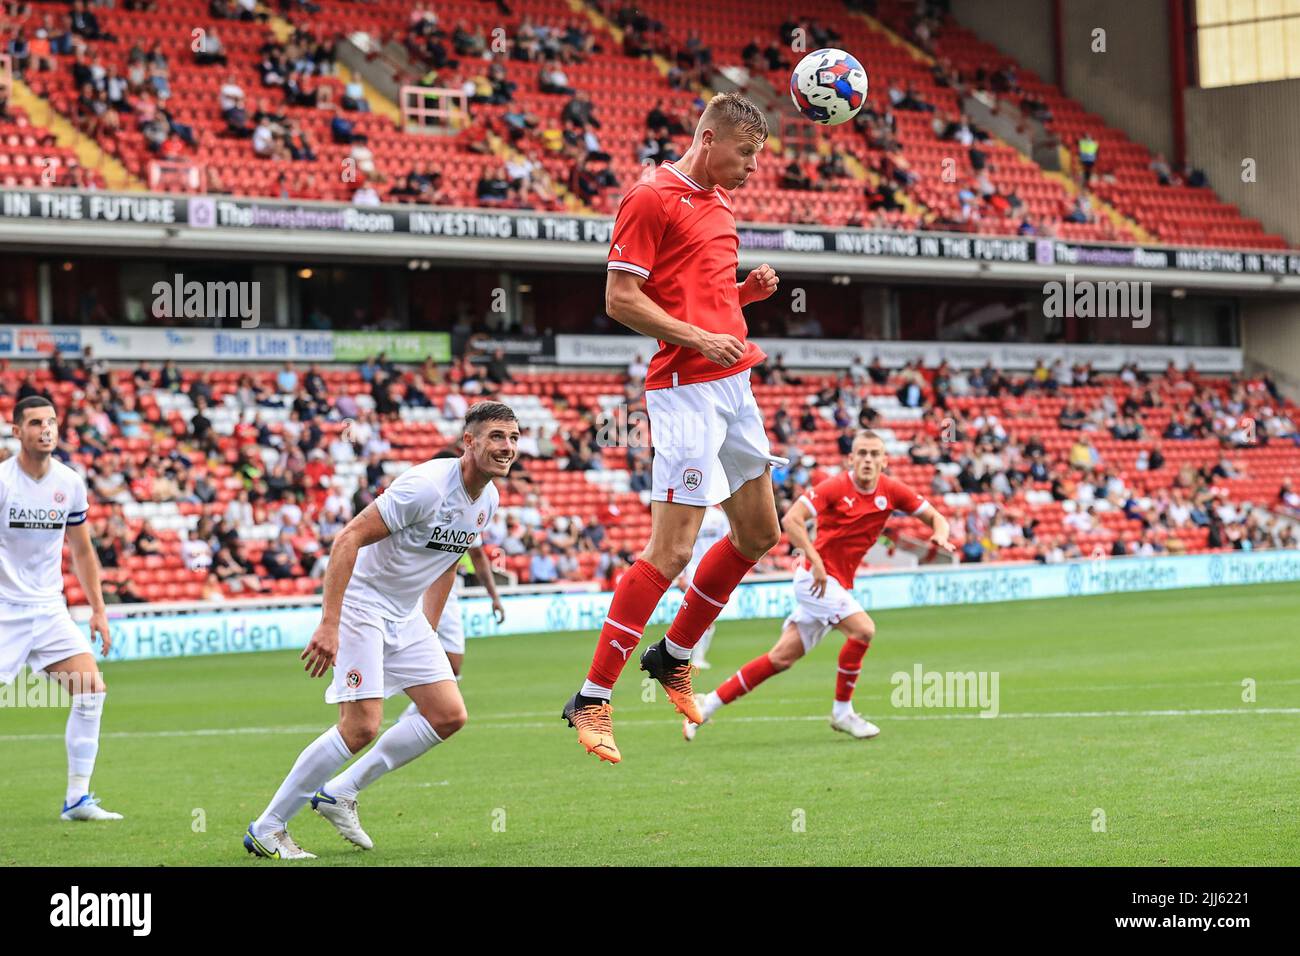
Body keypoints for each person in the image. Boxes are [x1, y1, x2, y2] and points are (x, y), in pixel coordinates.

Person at [561, 92, 784, 764]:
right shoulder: (651, 196)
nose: (752, 167)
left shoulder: (719, 205)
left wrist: (742, 297)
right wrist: (698, 336)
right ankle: (592, 697)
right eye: (745, 153)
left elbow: (697, 296)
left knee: (760, 532)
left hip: (733, 383)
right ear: (709, 138)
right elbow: (620, 298)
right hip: (686, 392)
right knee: (671, 552)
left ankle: (672, 655)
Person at [244, 402, 519, 859]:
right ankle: (268, 826)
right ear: (468, 442)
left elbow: (447, 561)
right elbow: (348, 537)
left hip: (405, 614)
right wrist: (330, 622)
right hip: (362, 605)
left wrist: (426, 630)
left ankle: (341, 791)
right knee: (361, 726)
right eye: (495, 437)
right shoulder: (426, 485)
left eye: (512, 438)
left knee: (449, 714)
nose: (507, 447)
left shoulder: (487, 499)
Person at [685, 431, 953, 740]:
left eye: (874, 454)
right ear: (850, 459)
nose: (867, 460)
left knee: (780, 658)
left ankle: (706, 706)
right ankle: (842, 712)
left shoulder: (892, 490)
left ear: (884, 460)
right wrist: (816, 559)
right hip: (815, 580)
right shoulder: (835, 487)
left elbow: (935, 517)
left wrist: (941, 534)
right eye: (862, 453)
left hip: (835, 583)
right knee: (864, 630)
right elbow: (792, 519)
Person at [0, 397, 121, 821]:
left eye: (51, 422)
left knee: (91, 692)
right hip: (3, 611)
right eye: (35, 423)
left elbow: (84, 552)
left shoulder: (69, 482)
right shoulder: (3, 482)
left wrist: (99, 610)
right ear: (17, 431)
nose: (46, 429)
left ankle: (77, 800)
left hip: (49, 609)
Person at [674, 504, 730, 669]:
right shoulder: (689, 516)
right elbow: (680, 546)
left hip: (714, 569)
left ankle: (696, 656)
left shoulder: (718, 517)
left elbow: (728, 541)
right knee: (696, 613)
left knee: (707, 616)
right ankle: (689, 655)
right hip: (692, 570)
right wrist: (681, 575)